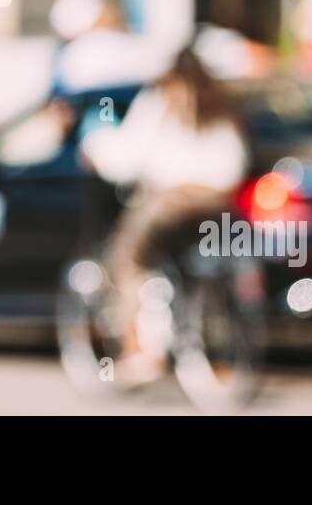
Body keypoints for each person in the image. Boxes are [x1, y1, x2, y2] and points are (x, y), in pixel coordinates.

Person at [79, 45, 248, 382]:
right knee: (195, 260)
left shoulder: (161, 99)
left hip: (173, 201)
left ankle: (142, 349)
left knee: (127, 258)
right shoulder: (220, 102)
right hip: (220, 202)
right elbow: (235, 160)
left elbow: (128, 157)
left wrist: (95, 152)